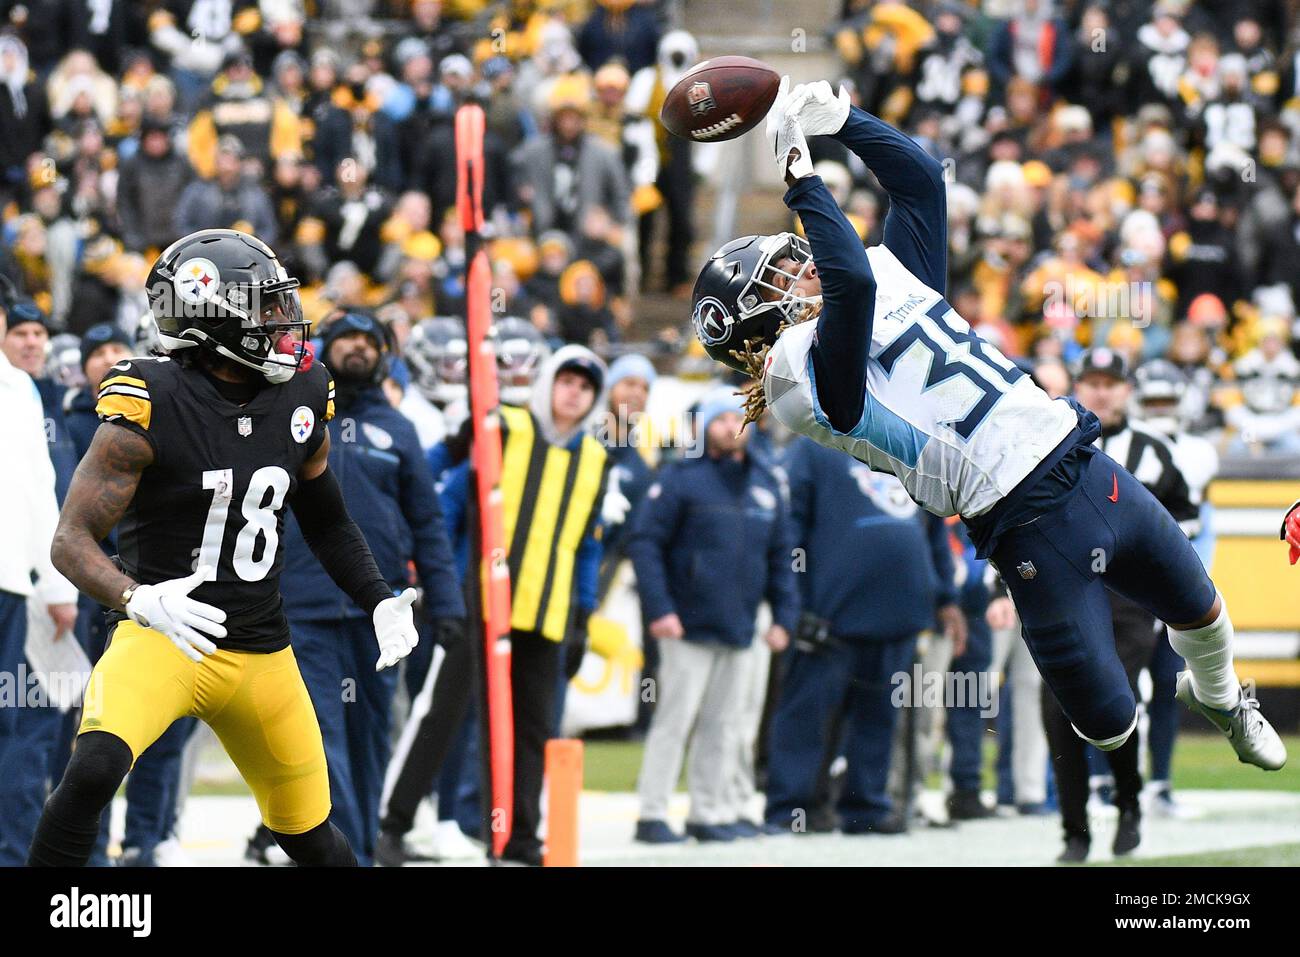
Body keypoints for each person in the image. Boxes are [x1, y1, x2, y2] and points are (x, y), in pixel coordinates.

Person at [689, 79, 1285, 787]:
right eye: (778, 275)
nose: (798, 265)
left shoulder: (876, 280)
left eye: (790, 257)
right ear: (753, 327)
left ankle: (1219, 698)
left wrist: (845, 119)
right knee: (1111, 722)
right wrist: (800, 174)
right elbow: (850, 279)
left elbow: (920, 188)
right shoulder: (797, 378)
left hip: (1080, 460)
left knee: (1207, 614)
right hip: (1023, 523)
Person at [26, 229, 421, 867]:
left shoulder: (304, 390)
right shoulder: (152, 397)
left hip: (263, 649)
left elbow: (325, 517)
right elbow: (70, 539)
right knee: (94, 769)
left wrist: (377, 596)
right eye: (266, 306)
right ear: (215, 315)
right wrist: (137, 599)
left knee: (309, 834)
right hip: (165, 634)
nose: (284, 319)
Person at [380, 345, 611, 867]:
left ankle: (517, 838)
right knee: (442, 716)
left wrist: (582, 615)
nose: (574, 392)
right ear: (548, 382)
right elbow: (443, 494)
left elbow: (588, 545)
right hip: (480, 602)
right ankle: (392, 827)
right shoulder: (503, 428)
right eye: (567, 380)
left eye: (586, 386)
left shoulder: (596, 459)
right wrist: (442, 577)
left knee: (532, 731)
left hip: (546, 613)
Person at [251, 310, 465, 867]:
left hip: (379, 612)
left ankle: (363, 851)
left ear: (383, 354)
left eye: (368, 341)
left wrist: (448, 603)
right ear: (324, 347)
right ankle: (338, 857)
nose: (357, 349)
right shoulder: (290, 417)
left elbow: (428, 524)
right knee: (320, 734)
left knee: (371, 737)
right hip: (300, 606)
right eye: (345, 338)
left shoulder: (400, 430)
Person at [764, 438, 962, 836]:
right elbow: (789, 529)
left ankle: (866, 807)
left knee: (879, 716)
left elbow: (934, 525)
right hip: (830, 613)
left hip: (900, 610)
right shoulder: (814, 445)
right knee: (809, 713)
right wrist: (796, 605)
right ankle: (793, 807)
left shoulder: (907, 444)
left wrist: (946, 597)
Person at [629, 390, 798, 844]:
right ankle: (652, 812)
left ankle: (709, 811)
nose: (729, 426)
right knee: (674, 720)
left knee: (726, 725)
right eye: (720, 419)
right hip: (686, 624)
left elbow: (782, 558)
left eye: (737, 418)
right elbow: (644, 544)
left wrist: (784, 617)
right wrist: (660, 609)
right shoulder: (681, 479)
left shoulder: (766, 483)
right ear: (704, 427)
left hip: (742, 624)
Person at [0, 287, 78, 865]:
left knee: (19, 720)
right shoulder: (15, 389)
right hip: (9, 577)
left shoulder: (18, 388)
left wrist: (54, 586)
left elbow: (37, 491)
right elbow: (34, 490)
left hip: (10, 576)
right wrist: (57, 588)